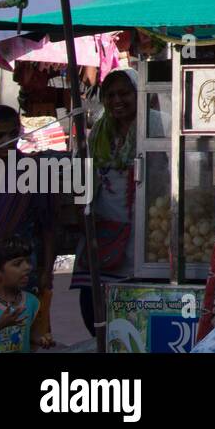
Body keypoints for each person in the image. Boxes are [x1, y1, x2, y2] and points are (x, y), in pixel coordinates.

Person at [72, 68, 139, 338]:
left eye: (124, 93)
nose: (116, 100)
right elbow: (82, 178)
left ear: (138, 93)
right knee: (92, 306)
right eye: (109, 95)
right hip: (100, 228)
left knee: (133, 302)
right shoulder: (97, 132)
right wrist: (81, 213)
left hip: (139, 232)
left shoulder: (156, 124)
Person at [0, 105, 58, 347]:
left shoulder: (32, 169)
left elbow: (48, 225)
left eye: (13, 134)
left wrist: (46, 270)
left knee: (23, 333)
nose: (7, 142)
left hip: (21, 267)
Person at [0, 236, 41, 353]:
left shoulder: (31, 301)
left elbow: (30, 335)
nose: (28, 267)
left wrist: (41, 339)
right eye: (18, 264)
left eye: (28, 261)